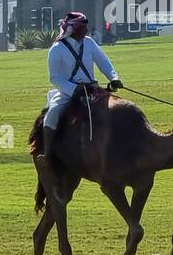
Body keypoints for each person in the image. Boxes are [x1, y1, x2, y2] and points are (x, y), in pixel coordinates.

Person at [39, 11, 121, 164]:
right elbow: (55, 77)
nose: (86, 31)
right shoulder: (57, 49)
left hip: (92, 89)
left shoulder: (89, 43)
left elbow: (103, 61)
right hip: (68, 93)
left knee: (119, 108)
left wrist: (114, 78)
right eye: (82, 28)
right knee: (52, 114)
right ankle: (47, 154)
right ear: (72, 30)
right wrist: (72, 89)